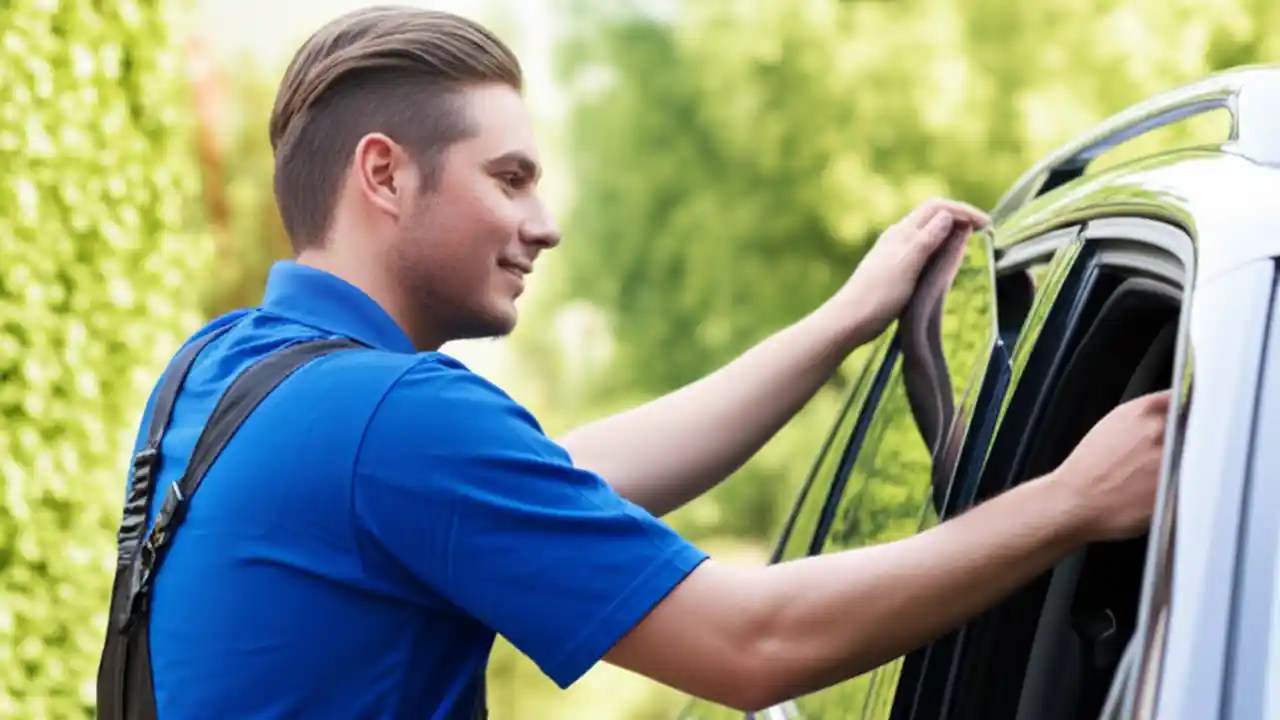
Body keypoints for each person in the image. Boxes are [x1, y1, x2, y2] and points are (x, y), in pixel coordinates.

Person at [106, 6, 1169, 718]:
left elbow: (553, 476)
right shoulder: (395, 421)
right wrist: (1068, 502)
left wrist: (837, 323)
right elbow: (750, 648)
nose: (546, 223)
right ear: (383, 175)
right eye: (510, 178)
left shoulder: (219, 372)